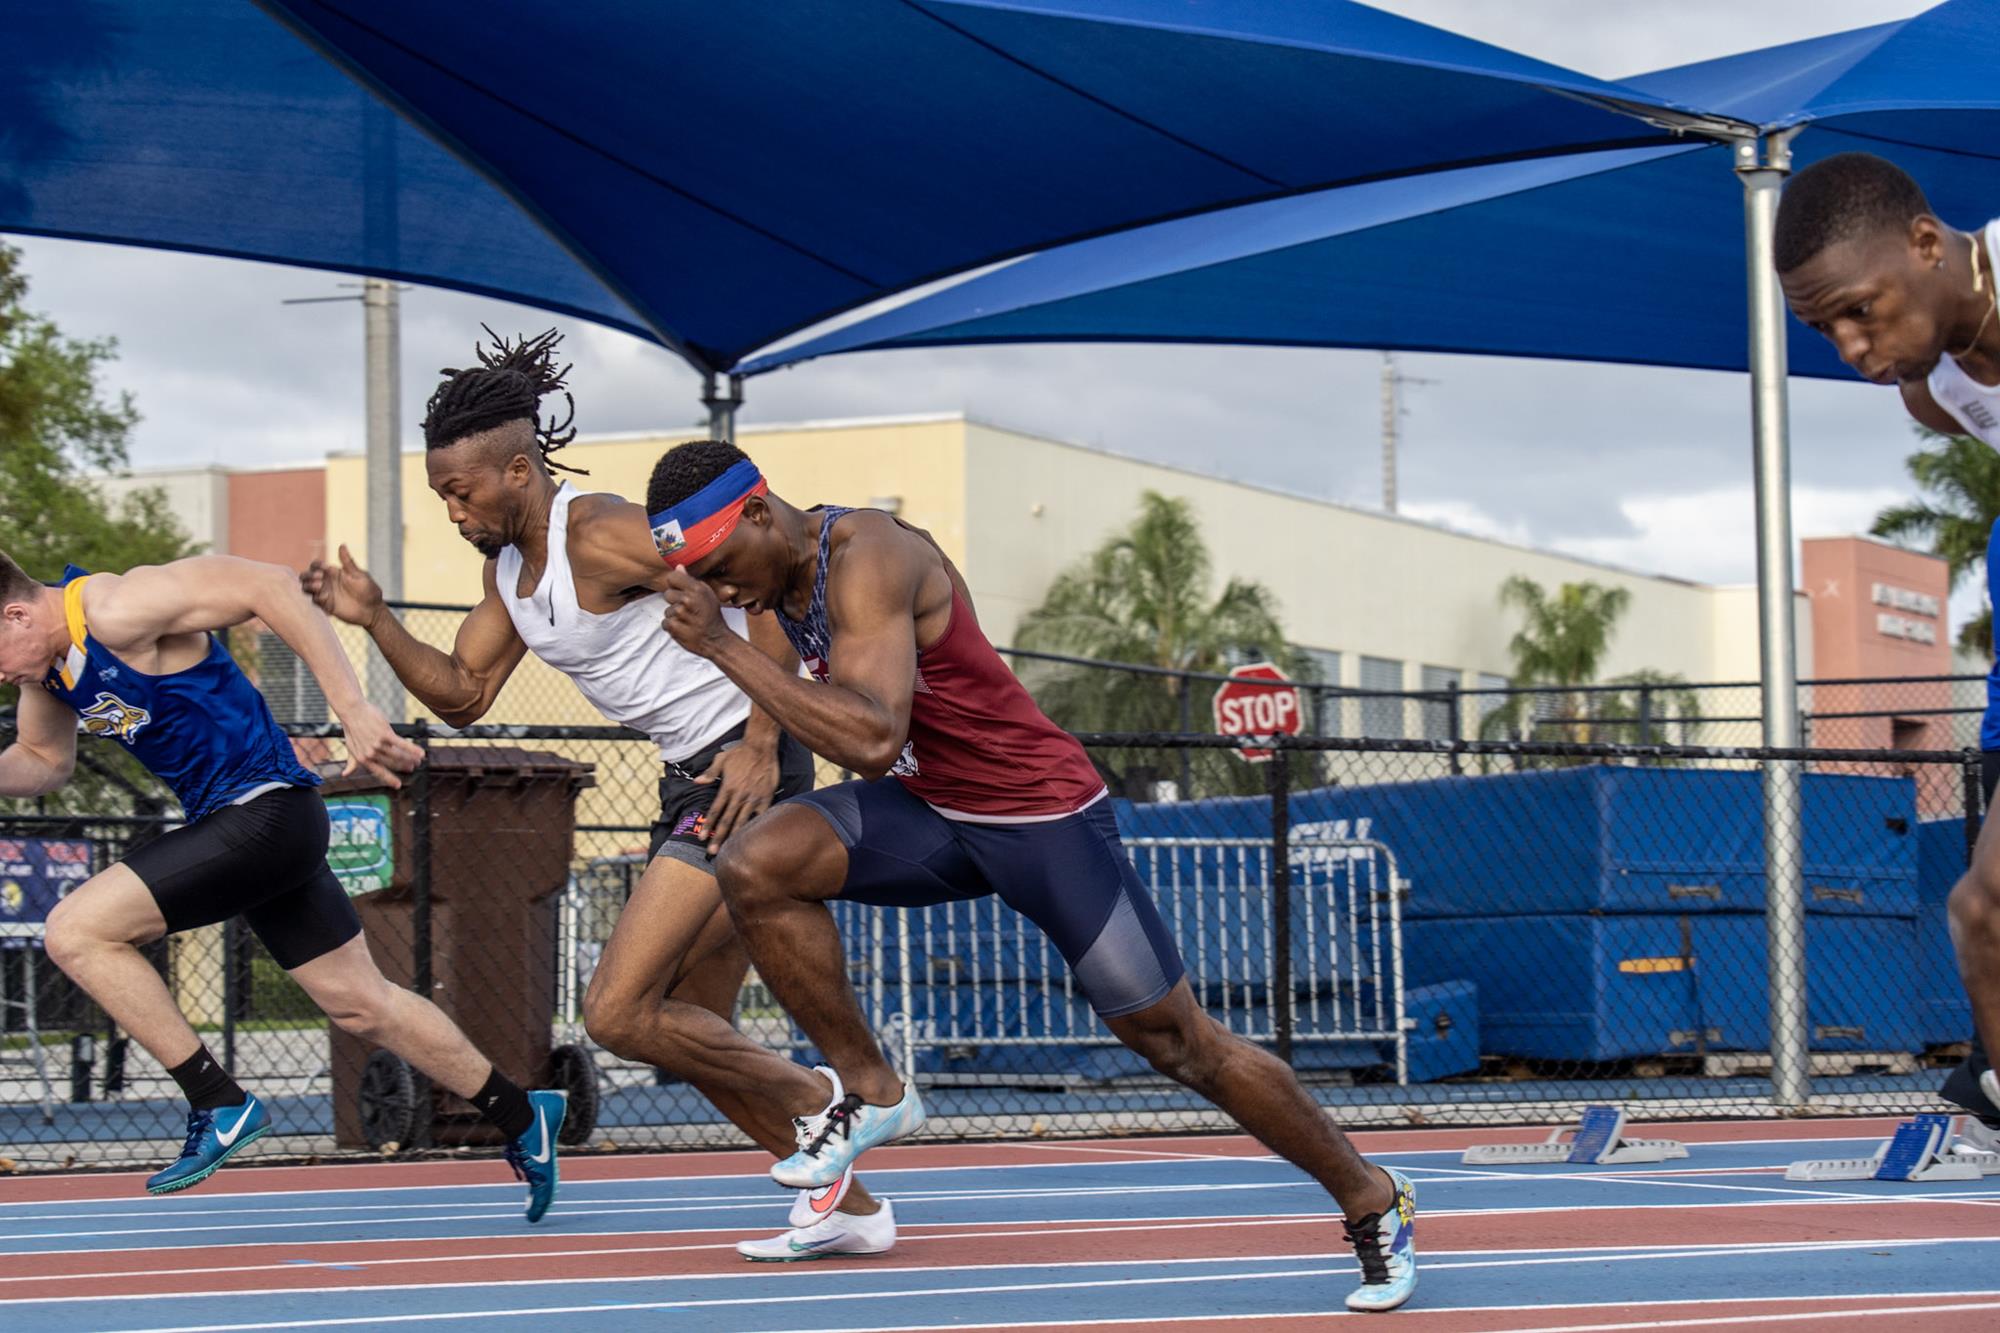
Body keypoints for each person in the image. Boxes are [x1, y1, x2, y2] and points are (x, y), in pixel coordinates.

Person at [645, 439, 1418, 1313]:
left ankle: (1371, 1195)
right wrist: (753, 741)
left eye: (718, 568)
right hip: (936, 813)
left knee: (1177, 1042)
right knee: (759, 861)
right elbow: (778, 659)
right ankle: (869, 1087)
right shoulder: (767, 581)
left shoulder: (867, 555)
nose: (720, 593)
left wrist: (714, 643)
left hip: (1036, 816)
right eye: (700, 582)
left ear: (756, 510)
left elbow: (869, 738)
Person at [304, 328, 893, 1260]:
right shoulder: (509, 572)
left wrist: (762, 738)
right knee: (688, 1029)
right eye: (440, 497)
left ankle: (833, 1099)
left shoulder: (603, 529)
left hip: (739, 772)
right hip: (685, 776)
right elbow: (461, 694)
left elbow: (764, 590)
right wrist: (374, 615)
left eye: (461, 491)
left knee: (617, 1011)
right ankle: (848, 1205)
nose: (453, 512)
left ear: (519, 472)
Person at [0, 548, 565, 1214]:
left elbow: (268, 584)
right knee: (361, 1001)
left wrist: (352, 708)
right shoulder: (48, 675)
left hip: (267, 811)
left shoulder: (118, 608)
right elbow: (42, 761)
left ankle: (219, 1102)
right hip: (251, 830)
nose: (2, 675)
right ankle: (525, 1113)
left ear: (15, 615)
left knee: (77, 930)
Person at [1776, 151, 2000, 1130]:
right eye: (1825, 328)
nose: (1851, 346)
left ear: (1925, 243)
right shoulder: (1934, 389)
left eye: (1860, 310)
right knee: (1979, 915)